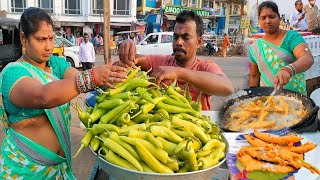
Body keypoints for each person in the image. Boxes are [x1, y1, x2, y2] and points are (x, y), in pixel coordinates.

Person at [0, 7, 127, 179]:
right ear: (24, 38)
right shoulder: (13, 74)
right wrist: (92, 78)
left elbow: (79, 79)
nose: (48, 46)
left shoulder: (55, 64)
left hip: (59, 168)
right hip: (26, 169)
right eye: (41, 39)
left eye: (51, 38)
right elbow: (43, 96)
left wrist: (112, 74)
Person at [119, 10, 234, 110]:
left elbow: (227, 88)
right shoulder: (161, 62)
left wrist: (179, 73)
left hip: (197, 129)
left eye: (185, 37)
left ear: (199, 42)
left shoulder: (205, 67)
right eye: (175, 37)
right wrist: (129, 44)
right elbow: (134, 59)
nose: (178, 42)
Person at [249, 1, 314, 96]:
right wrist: (252, 96)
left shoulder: (291, 37)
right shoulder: (255, 47)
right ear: (259, 21)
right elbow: (254, 76)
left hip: (296, 99)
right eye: (263, 18)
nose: (268, 21)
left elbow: (307, 58)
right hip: (268, 100)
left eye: (272, 17)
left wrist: (289, 70)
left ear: (279, 18)